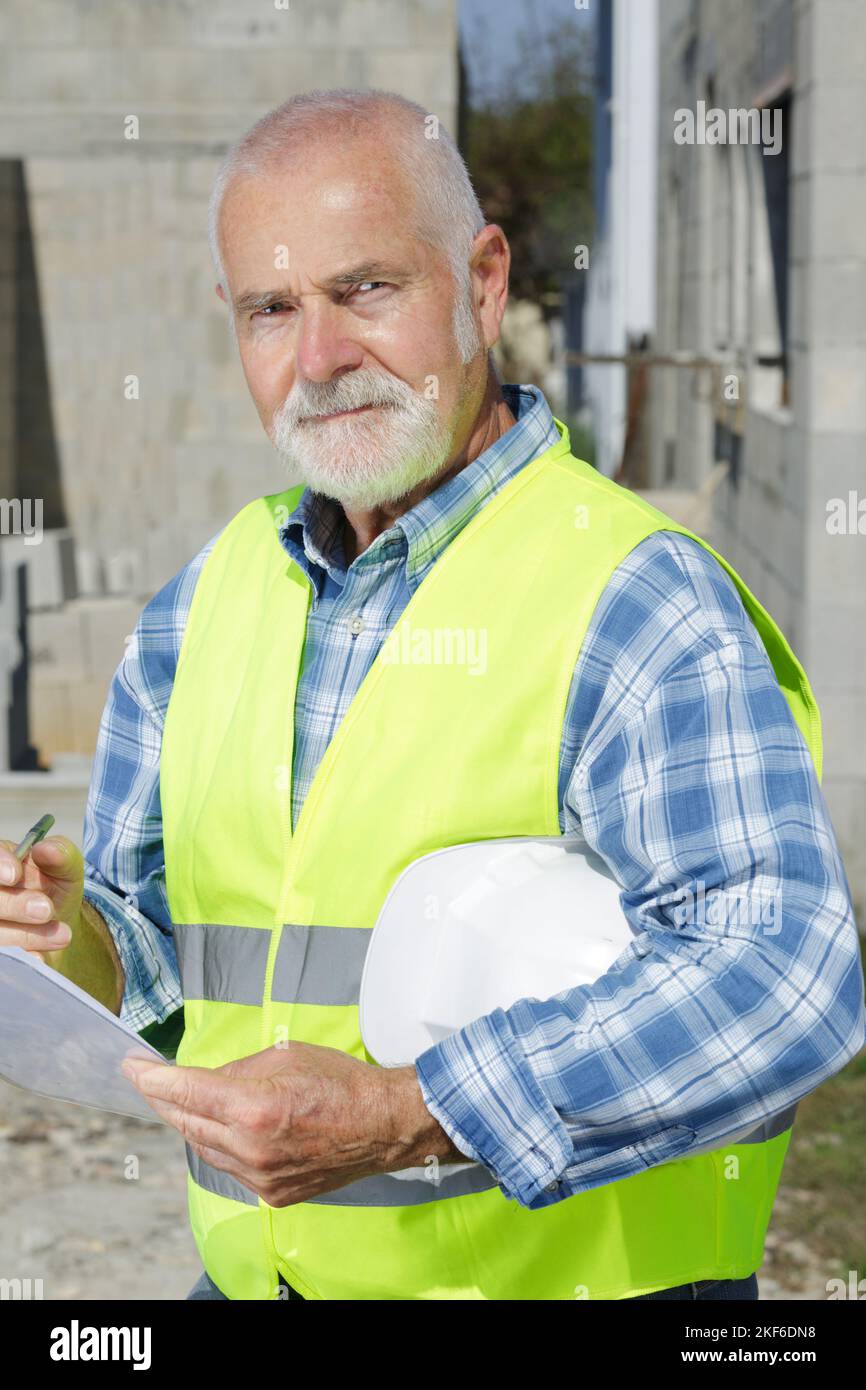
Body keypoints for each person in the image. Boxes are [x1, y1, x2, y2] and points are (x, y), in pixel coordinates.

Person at [1, 88, 863, 1302]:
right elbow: (159, 962)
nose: (318, 360)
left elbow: (784, 981)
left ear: (482, 280)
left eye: (364, 291)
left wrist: (413, 1113)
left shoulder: (628, 596)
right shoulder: (203, 605)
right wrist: (66, 947)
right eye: (270, 310)